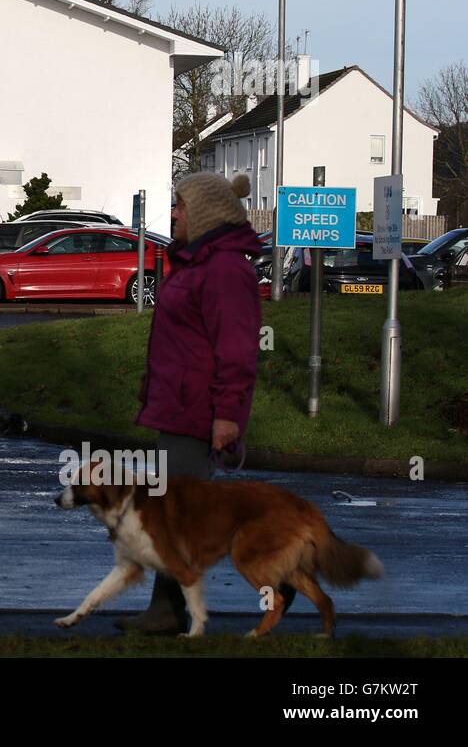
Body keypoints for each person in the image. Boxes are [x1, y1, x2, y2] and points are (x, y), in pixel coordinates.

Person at [115, 171, 268, 635]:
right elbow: (180, 340)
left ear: (202, 213)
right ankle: (167, 610)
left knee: (176, 515)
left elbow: (237, 351)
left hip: (198, 414)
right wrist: (151, 382)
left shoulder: (224, 271)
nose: (174, 214)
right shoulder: (197, 264)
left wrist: (227, 416)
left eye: (180, 206)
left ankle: (171, 612)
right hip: (177, 407)